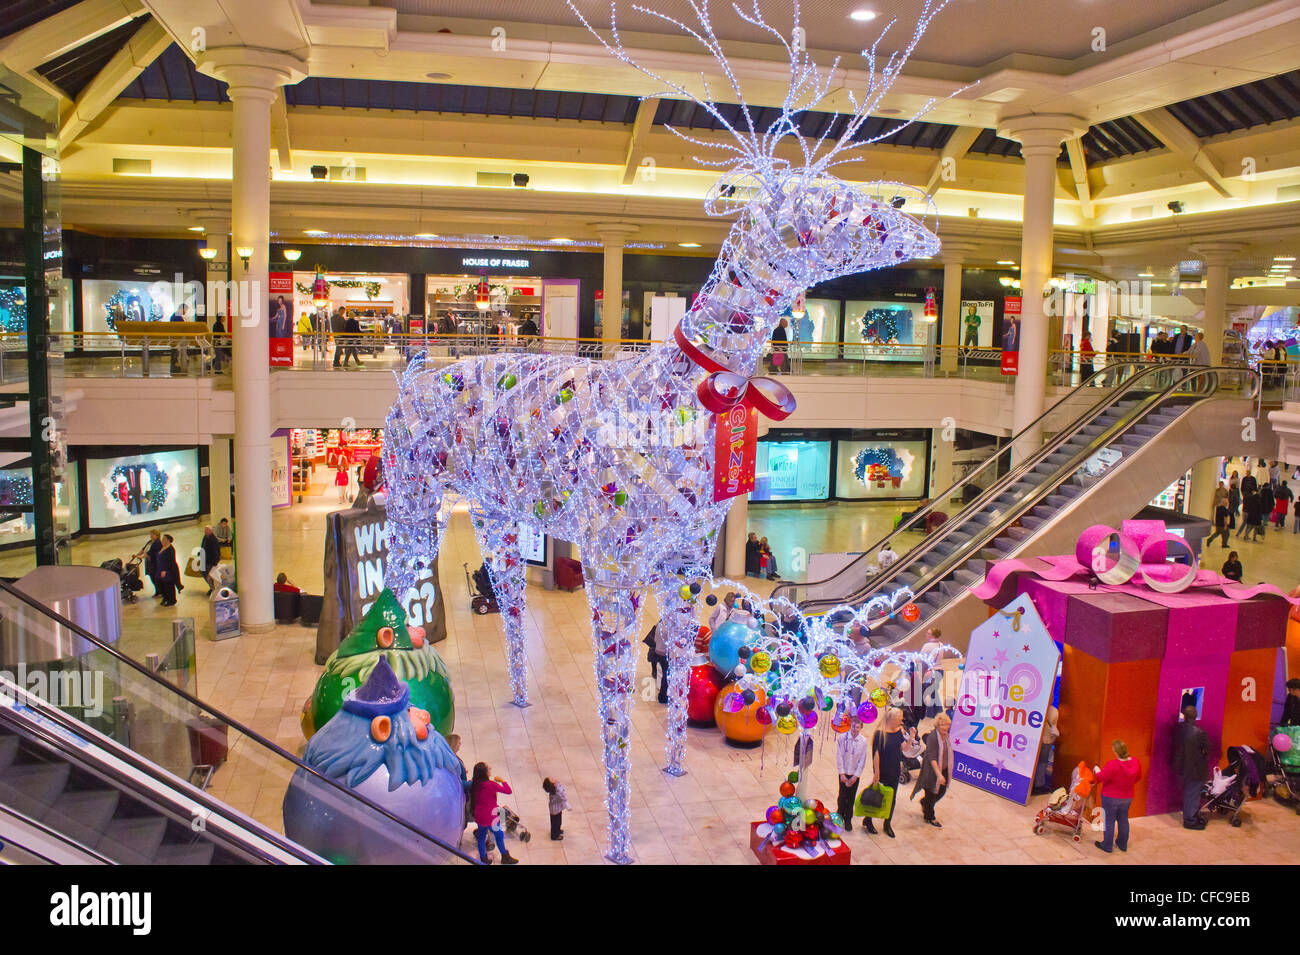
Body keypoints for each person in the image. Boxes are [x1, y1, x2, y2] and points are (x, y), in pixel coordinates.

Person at [1094, 739, 1141, 853]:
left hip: (1110, 797)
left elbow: (1101, 777)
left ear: (1116, 751)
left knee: (1109, 820)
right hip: (1128, 796)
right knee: (1123, 819)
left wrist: (1096, 769)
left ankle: (1107, 845)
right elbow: (1138, 778)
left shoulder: (1113, 765)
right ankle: (1122, 844)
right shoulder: (1135, 762)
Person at [865, 706, 905, 838]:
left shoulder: (899, 731)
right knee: (876, 797)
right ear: (891, 719)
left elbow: (903, 748)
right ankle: (868, 819)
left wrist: (911, 739)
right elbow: (876, 754)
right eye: (899, 719)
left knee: (891, 798)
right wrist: (877, 773)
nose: (901, 721)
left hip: (895, 770)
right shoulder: (879, 733)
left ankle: (887, 823)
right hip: (882, 771)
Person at [469, 762, 518, 864]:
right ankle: (505, 856)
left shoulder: (475, 784)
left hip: (479, 816)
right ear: (485, 772)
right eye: (488, 768)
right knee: (499, 835)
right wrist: (502, 781)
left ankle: (483, 859)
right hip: (491, 818)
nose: (490, 769)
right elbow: (508, 791)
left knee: (481, 838)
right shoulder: (491, 785)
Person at [911, 712, 954, 828]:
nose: (946, 727)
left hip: (944, 769)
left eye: (947, 725)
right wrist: (939, 774)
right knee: (931, 793)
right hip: (931, 772)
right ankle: (930, 816)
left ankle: (925, 803)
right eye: (943, 725)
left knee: (941, 792)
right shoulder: (933, 738)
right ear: (937, 726)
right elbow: (933, 758)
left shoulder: (946, 736)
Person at [1172, 706, 1210, 829]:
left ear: (1185, 716)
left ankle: (1191, 816)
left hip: (1182, 767)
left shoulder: (1179, 729)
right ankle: (1190, 820)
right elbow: (1209, 749)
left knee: (1190, 794)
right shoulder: (1200, 733)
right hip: (1195, 769)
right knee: (1192, 795)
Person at [835, 718, 869, 832]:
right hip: (844, 773)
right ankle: (839, 815)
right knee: (842, 796)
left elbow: (862, 760)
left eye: (858, 727)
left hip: (854, 774)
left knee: (851, 797)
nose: (855, 730)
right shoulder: (842, 738)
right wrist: (842, 773)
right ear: (850, 726)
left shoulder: (863, 741)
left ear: (861, 728)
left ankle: (848, 818)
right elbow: (839, 756)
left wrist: (856, 776)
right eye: (853, 726)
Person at [134, 529, 163, 597]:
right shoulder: (150, 542)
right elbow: (143, 549)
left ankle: (160, 591)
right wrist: (137, 555)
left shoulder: (157, 543)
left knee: (155, 577)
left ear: (156, 535)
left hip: (154, 563)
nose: (150, 536)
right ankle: (158, 591)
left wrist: (141, 557)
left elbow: (149, 553)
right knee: (152, 576)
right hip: (149, 562)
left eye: (152, 534)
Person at [156, 533, 181, 606]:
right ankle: (165, 598)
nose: (162, 540)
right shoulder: (161, 547)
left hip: (167, 570)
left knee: (168, 585)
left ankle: (172, 600)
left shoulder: (170, 549)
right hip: (160, 569)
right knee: (161, 584)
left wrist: (165, 571)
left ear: (168, 540)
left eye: (164, 539)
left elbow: (170, 562)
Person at [200, 525, 221, 595]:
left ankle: (213, 589)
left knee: (210, 577)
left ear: (211, 531)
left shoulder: (214, 540)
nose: (205, 531)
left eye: (206, 530)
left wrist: (214, 564)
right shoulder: (205, 537)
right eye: (205, 530)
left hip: (210, 562)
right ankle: (211, 588)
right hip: (204, 560)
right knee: (204, 574)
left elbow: (216, 553)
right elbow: (202, 546)